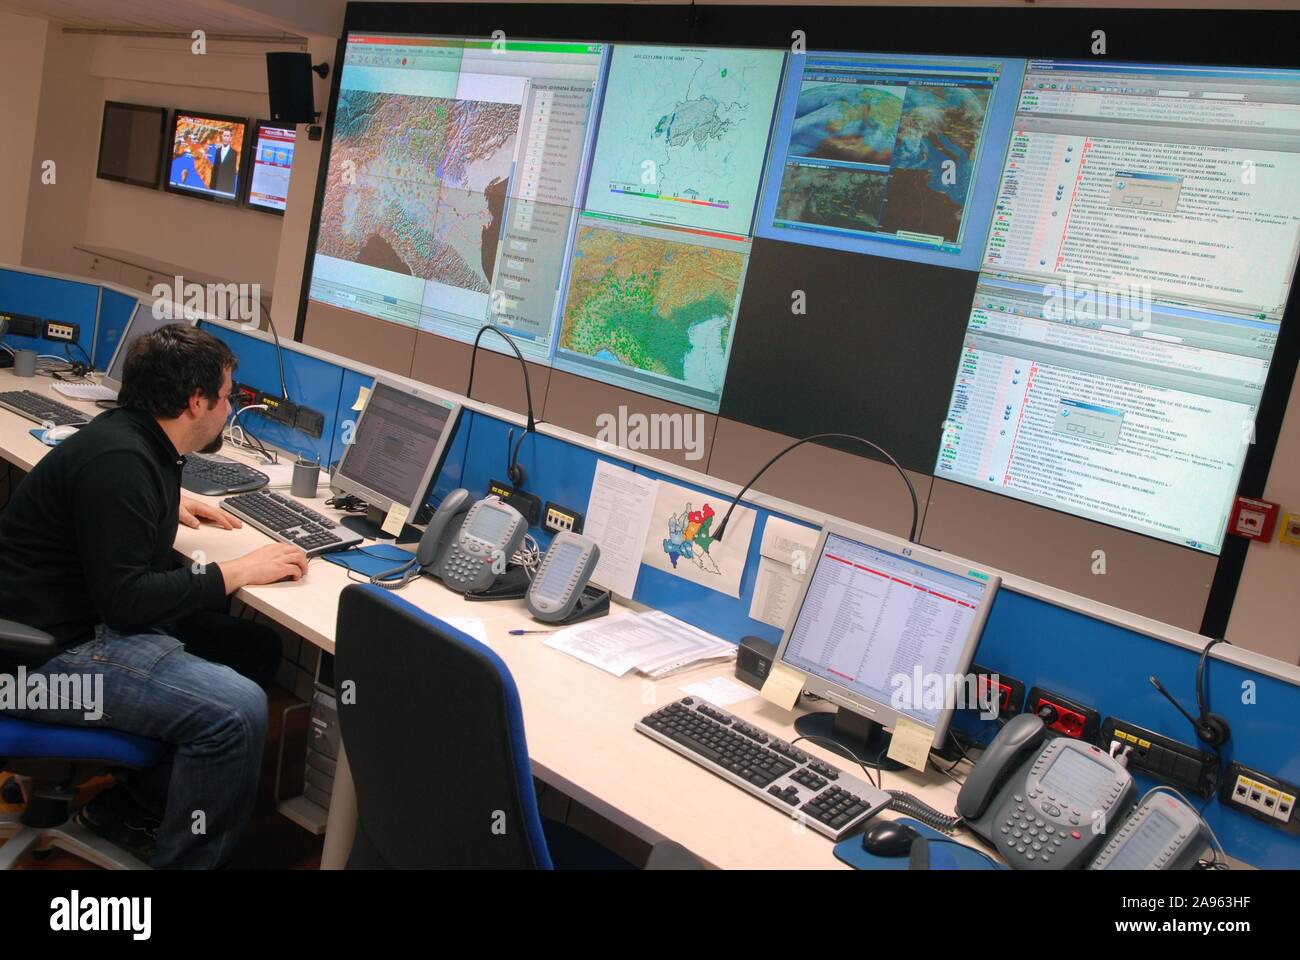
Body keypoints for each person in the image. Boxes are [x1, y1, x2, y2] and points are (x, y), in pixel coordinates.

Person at [0, 324, 308, 868]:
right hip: (41, 662)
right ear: (196, 402)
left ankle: (135, 806)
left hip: (64, 620)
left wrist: (167, 501)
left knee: (252, 649)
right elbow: (129, 603)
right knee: (235, 711)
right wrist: (236, 571)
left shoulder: (134, 443)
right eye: (226, 396)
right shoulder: (122, 464)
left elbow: (117, 516)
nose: (228, 407)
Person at [207, 128, 240, 194]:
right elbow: (215, 170)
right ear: (222, 136)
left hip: (226, 189)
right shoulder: (217, 151)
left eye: (227, 136)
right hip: (214, 188)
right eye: (224, 136)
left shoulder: (234, 153)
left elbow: (232, 174)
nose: (225, 138)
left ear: (231, 138)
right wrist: (211, 188)